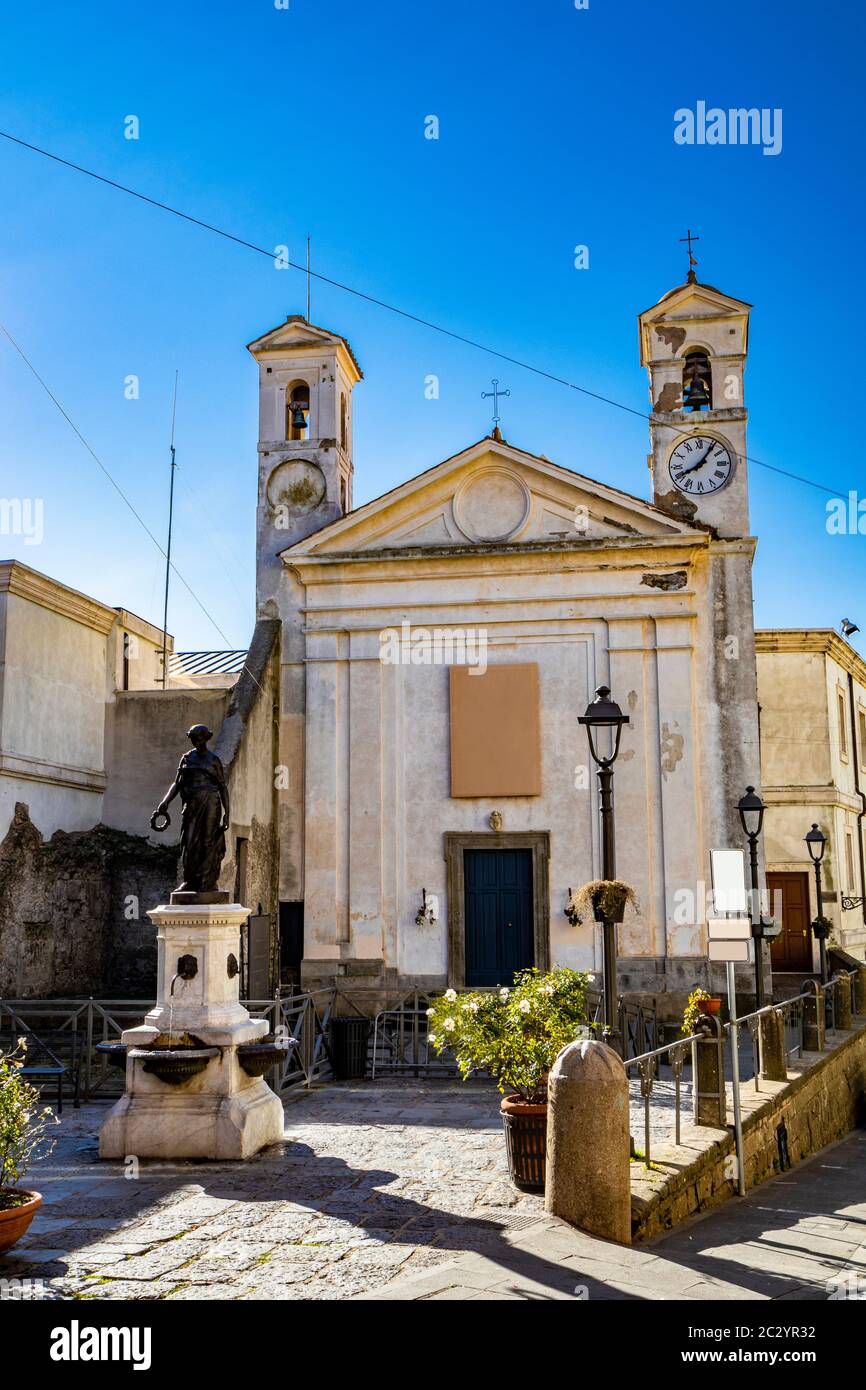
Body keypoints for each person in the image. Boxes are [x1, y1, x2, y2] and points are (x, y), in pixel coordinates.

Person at [151, 724, 230, 893]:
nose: (195, 742)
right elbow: (177, 783)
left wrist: (227, 814)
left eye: (198, 738)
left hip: (210, 802)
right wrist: (165, 803)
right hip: (191, 803)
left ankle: (207, 882)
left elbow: (223, 786)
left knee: (207, 841)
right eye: (193, 738)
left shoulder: (214, 760)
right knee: (188, 841)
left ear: (205, 738)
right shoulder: (186, 758)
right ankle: (189, 881)